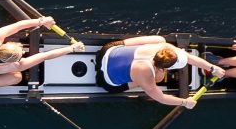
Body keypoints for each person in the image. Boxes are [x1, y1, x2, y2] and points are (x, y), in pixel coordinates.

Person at [0, 15, 88, 92]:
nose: (23, 51)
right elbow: (45, 56)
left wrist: (41, 21)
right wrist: (72, 49)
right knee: (17, 77)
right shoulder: (15, 67)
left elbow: (18, 25)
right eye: (21, 53)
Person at [95, 33, 223, 109]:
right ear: (163, 68)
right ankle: (135, 80)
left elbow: (189, 58)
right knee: (157, 79)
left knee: (159, 39)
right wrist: (185, 102)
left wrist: (213, 68)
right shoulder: (147, 74)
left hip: (106, 50)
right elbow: (160, 98)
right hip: (106, 81)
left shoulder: (163, 46)